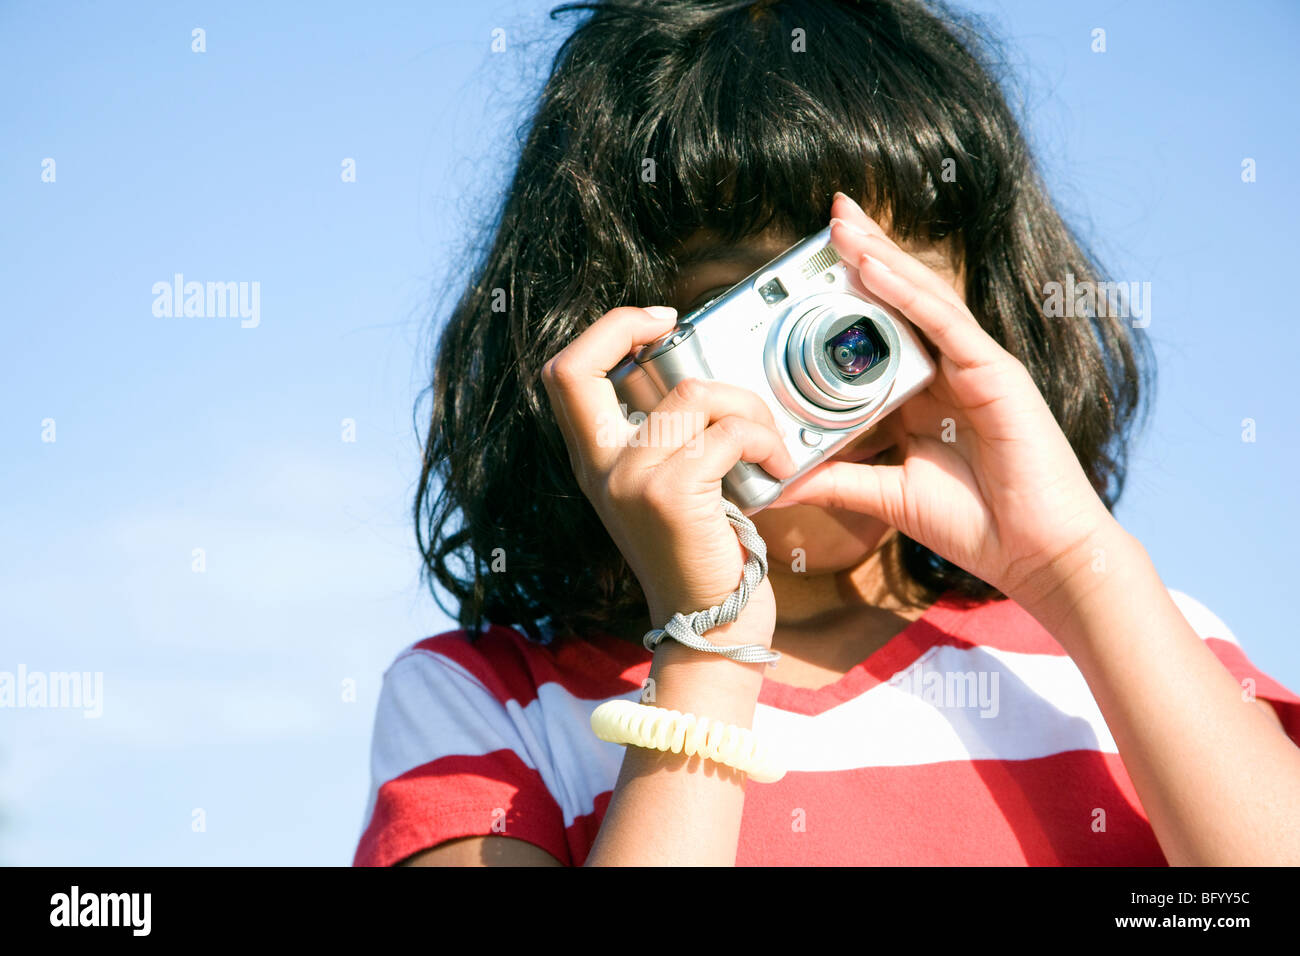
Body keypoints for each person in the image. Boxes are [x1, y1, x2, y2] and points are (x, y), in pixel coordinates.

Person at [354, 0, 1300, 866]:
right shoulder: (483, 709)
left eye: (886, 301)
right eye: (769, 310)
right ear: (615, 348)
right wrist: (708, 649)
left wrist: (1075, 569)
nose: (847, 367)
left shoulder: (1145, 652)